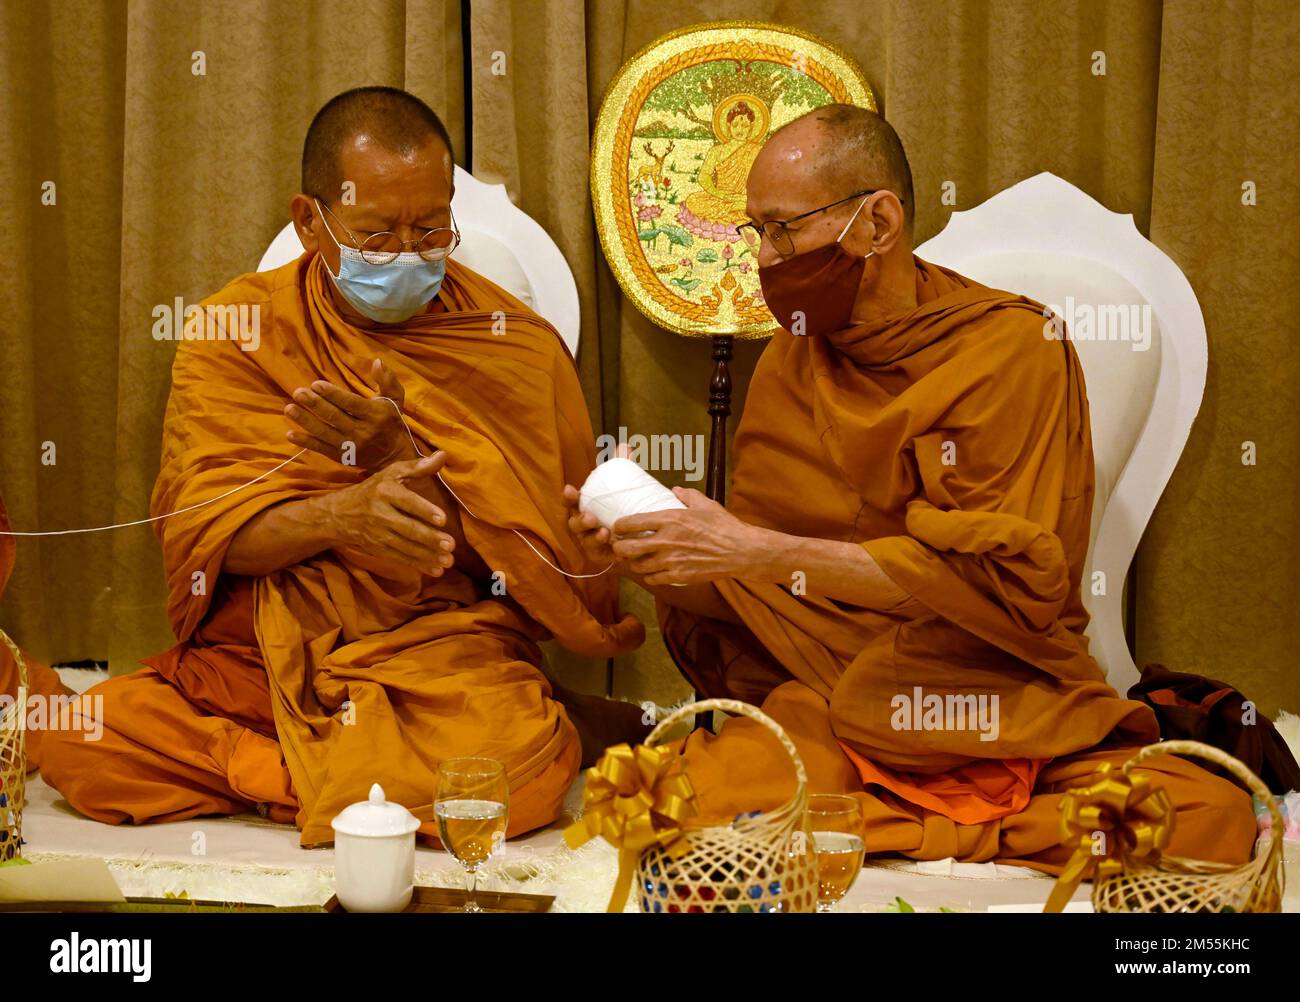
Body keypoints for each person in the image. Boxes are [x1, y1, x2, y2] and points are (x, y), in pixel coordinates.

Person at [563, 104, 1256, 872]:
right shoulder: (793, 358)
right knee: (693, 806)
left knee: (1208, 818)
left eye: (783, 229)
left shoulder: (1013, 352)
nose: (764, 257)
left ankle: (892, 823)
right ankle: (963, 826)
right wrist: (651, 553)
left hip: (992, 699)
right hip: (833, 697)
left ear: (878, 222)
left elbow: (997, 587)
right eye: (756, 231)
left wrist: (752, 551)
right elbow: (761, 599)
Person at [38, 86, 644, 849]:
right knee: (80, 741)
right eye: (377, 234)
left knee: (515, 780)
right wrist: (340, 515)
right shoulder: (237, 332)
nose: (408, 254)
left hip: (438, 650)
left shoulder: (514, 346)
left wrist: (407, 463)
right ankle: (346, 786)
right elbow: (206, 539)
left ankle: (312, 782)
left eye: (431, 229)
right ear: (309, 221)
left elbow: (534, 574)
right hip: (266, 653)